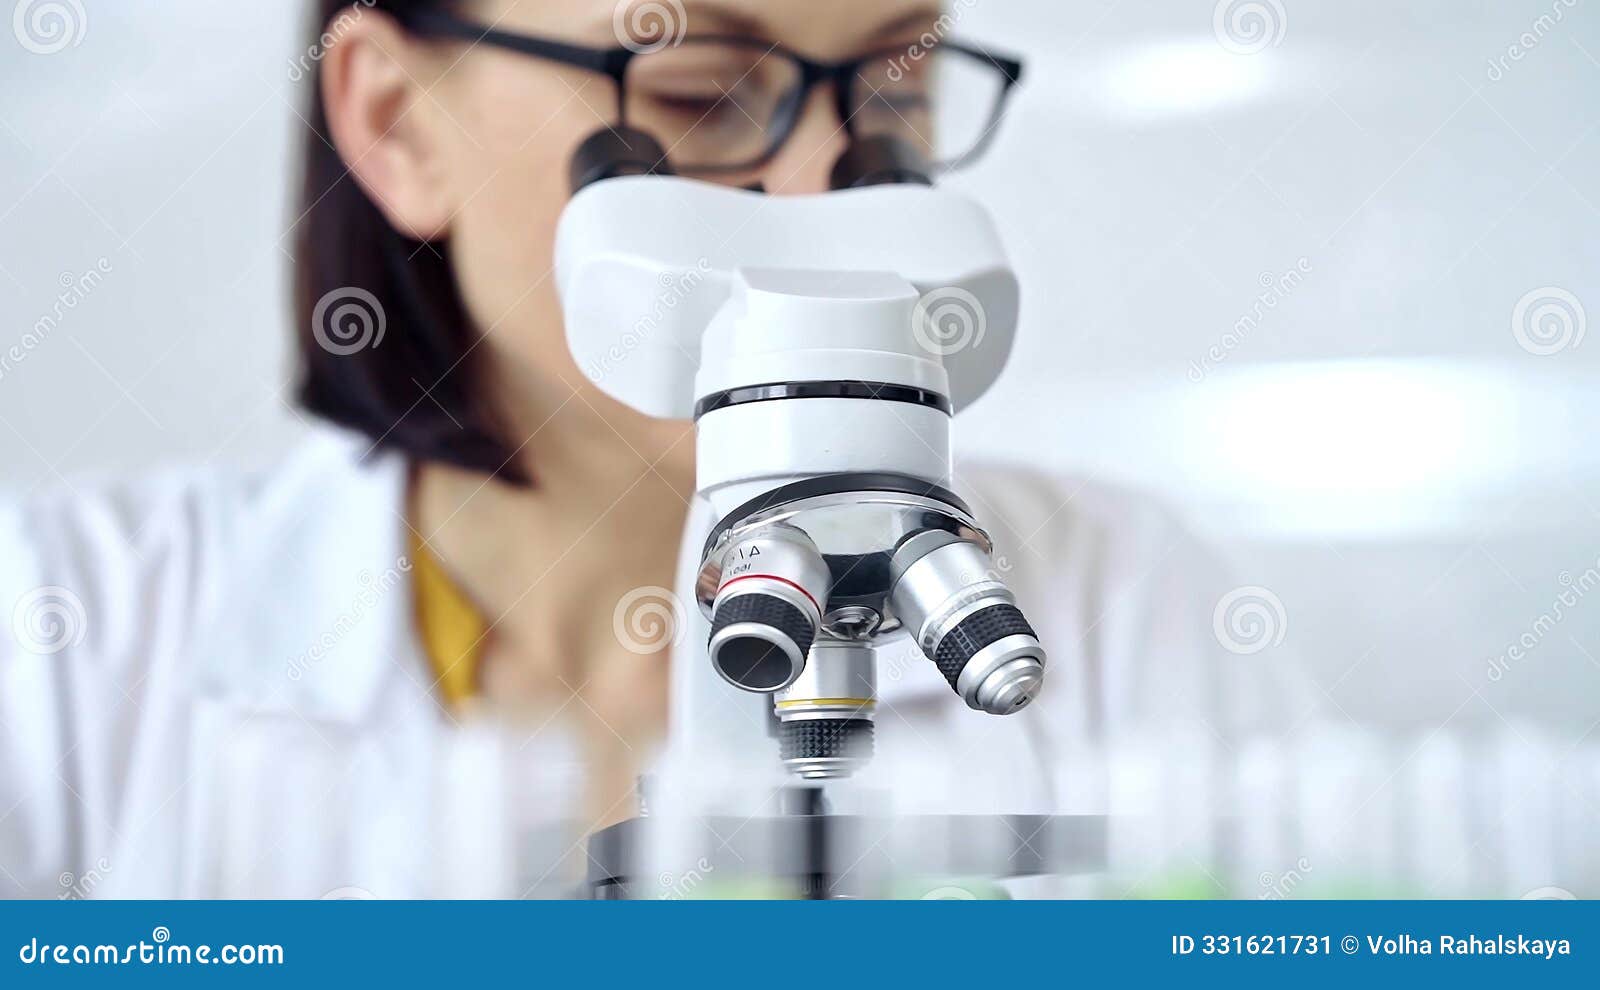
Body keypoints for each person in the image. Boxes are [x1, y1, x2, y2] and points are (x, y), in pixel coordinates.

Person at [0, 0, 1300, 898]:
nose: (817, 199)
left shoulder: (1129, 605)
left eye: (894, 90)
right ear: (396, 120)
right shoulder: (62, 640)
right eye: (700, 95)